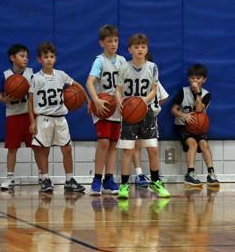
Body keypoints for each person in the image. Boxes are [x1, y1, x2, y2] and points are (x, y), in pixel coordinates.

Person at [114, 33, 169, 200]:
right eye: (136, 47)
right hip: (129, 114)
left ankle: (155, 182)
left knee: (152, 149)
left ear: (147, 49)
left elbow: (154, 89)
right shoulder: (123, 67)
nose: (140, 49)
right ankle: (124, 185)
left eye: (143, 46)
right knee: (128, 151)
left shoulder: (152, 67)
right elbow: (118, 89)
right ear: (130, 49)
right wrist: (118, 100)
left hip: (147, 112)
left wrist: (142, 102)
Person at [28, 41, 86, 195]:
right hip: (44, 118)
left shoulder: (61, 75)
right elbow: (30, 101)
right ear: (40, 59)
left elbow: (77, 86)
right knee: (44, 150)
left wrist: (89, 100)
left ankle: (69, 180)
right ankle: (45, 179)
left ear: (55, 59)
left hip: (61, 119)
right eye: (45, 57)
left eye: (52, 56)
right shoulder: (36, 78)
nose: (49, 59)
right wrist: (32, 121)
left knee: (67, 149)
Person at [87, 25, 124, 194]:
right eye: (109, 41)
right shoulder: (99, 61)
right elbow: (89, 82)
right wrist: (95, 100)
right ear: (102, 43)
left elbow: (124, 85)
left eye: (116, 40)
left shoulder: (123, 61)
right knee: (104, 142)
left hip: (118, 107)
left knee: (113, 144)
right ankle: (96, 179)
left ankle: (109, 179)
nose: (113, 44)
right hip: (103, 106)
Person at [172, 64, 218, 187]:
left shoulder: (206, 94)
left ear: (204, 80)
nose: (195, 81)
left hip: (199, 127)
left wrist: (198, 92)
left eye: (198, 78)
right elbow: (173, 110)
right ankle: (190, 174)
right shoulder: (183, 91)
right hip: (183, 125)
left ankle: (211, 174)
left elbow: (199, 109)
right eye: (192, 78)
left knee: (204, 144)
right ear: (189, 79)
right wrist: (184, 115)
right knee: (193, 143)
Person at [0, 43, 34, 191]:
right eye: (22, 56)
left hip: (29, 114)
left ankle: (43, 176)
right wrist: (4, 99)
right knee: (12, 148)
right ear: (12, 58)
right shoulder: (6, 75)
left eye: (26, 56)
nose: (25, 59)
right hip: (13, 114)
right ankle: (10, 177)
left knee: (38, 147)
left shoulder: (31, 73)